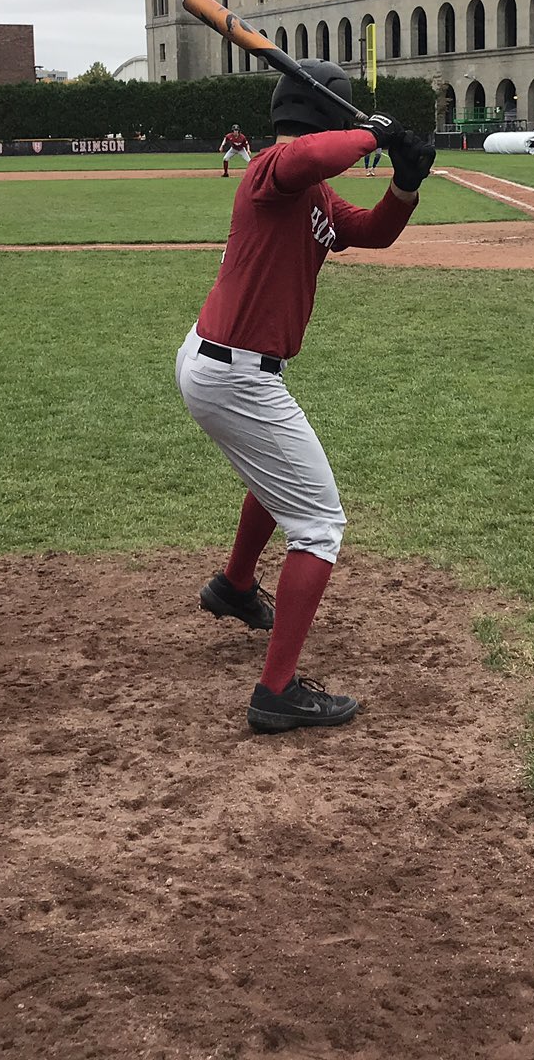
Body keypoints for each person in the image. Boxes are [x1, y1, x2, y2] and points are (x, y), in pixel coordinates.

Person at [178, 62, 433, 733]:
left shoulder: (312, 193)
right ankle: (278, 691)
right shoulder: (275, 166)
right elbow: (314, 153)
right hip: (236, 372)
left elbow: (372, 231)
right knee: (320, 526)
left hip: (228, 365)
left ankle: (234, 586)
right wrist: (372, 135)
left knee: (280, 479)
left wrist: (406, 184)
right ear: (331, 116)